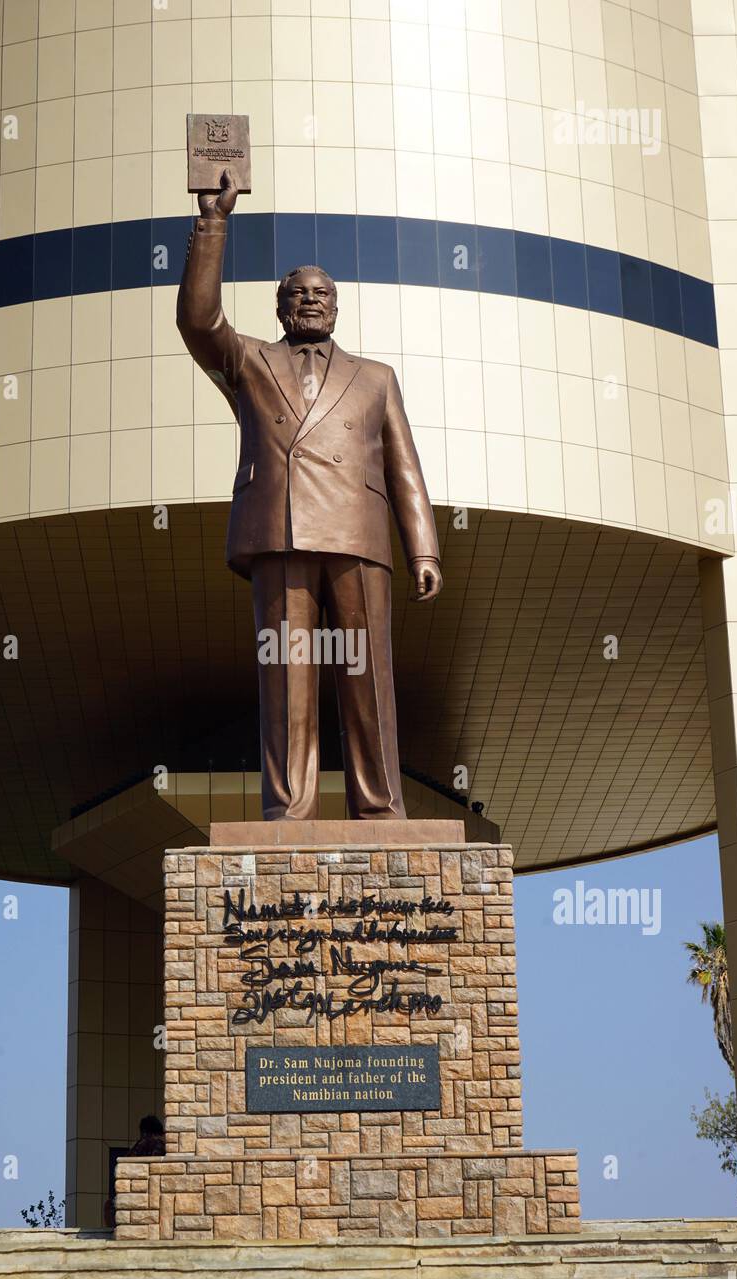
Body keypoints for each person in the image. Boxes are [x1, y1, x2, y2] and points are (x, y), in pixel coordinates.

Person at [177, 169, 442, 821]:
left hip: (358, 538)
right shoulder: (250, 363)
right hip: (281, 538)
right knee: (286, 683)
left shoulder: (375, 378)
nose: (311, 301)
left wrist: (425, 551)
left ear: (337, 305)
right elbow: (198, 320)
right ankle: (288, 811)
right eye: (298, 293)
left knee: (367, 681)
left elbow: (404, 468)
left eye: (322, 293)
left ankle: (380, 809)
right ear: (279, 307)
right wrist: (215, 222)